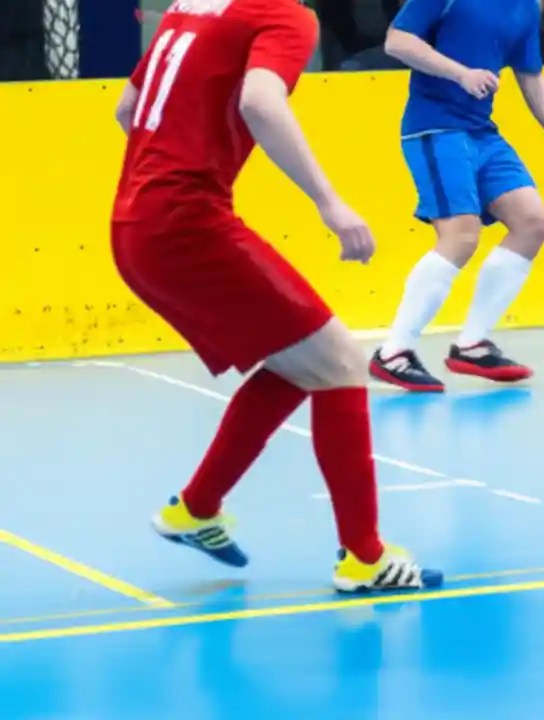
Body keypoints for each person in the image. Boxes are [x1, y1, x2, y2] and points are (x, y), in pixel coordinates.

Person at [110, 0, 439, 593]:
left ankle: (196, 508)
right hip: (187, 222)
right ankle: (365, 558)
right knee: (339, 360)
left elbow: (127, 109)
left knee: (303, 360)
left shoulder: (187, 9)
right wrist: (330, 204)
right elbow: (260, 103)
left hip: (134, 223)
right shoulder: (284, 15)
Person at [368, 0, 544, 393]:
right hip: (434, 127)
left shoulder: (527, 8)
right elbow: (397, 42)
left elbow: (530, 75)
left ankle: (471, 344)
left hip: (481, 132)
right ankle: (393, 352)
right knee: (461, 236)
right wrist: (460, 75)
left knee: (531, 223)